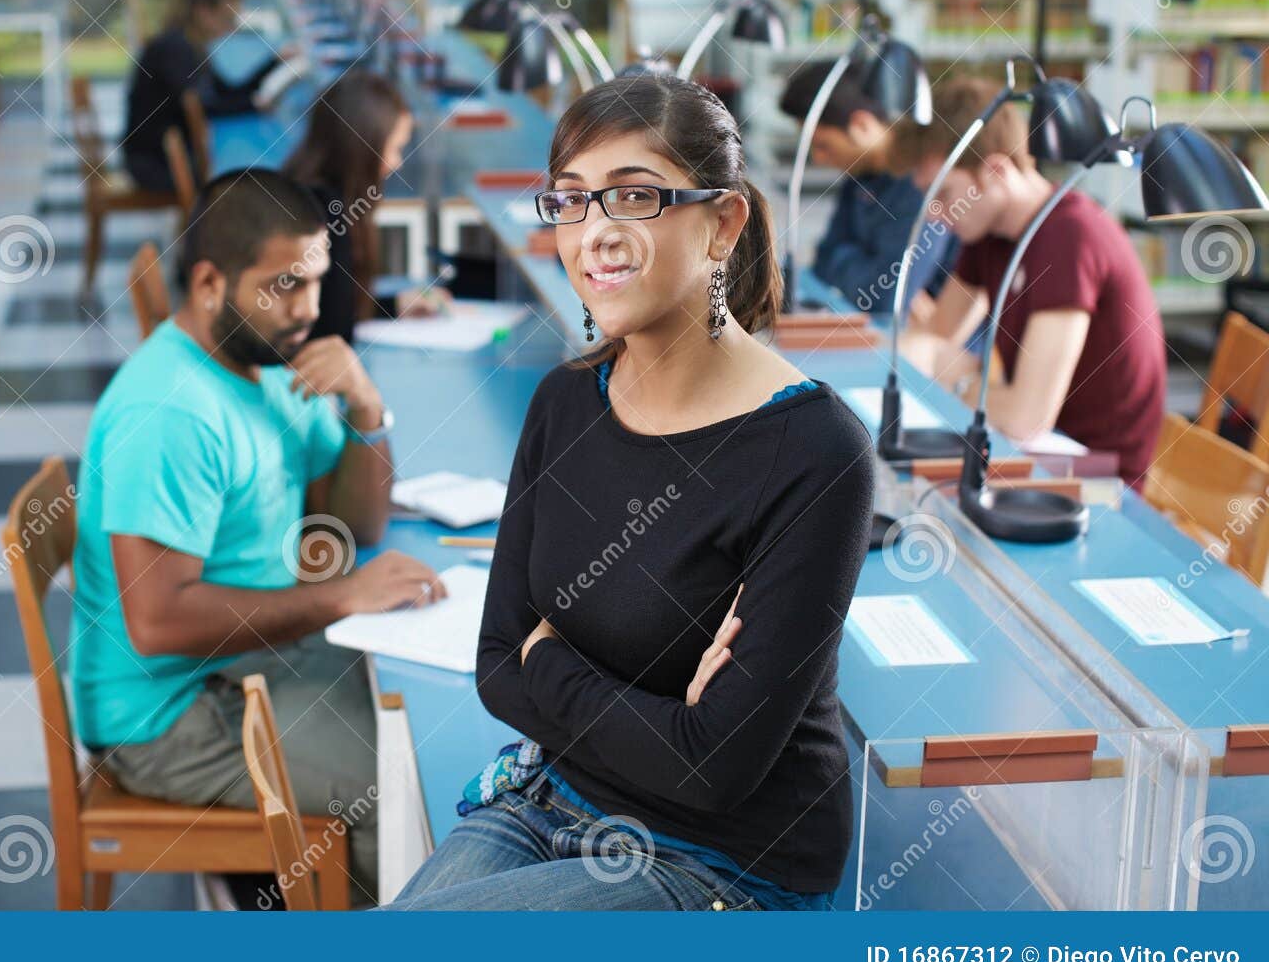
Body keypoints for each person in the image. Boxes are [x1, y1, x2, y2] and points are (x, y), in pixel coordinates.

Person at [384, 75, 876, 911]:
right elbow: (497, 664)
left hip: (721, 865)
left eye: (636, 197)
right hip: (551, 798)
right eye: (572, 202)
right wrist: (651, 715)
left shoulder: (817, 451)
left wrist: (553, 662)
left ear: (722, 223)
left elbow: (711, 769)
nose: (595, 235)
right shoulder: (565, 403)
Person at [70, 167, 446, 905]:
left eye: (316, 281)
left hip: (248, 659)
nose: (308, 309)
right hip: (169, 713)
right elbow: (158, 622)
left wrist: (368, 407)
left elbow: (357, 524)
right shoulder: (171, 413)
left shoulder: (267, 363)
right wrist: (340, 595)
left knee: (433, 738)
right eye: (285, 286)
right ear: (211, 282)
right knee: (406, 790)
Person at [888, 75, 1167, 485]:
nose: (933, 214)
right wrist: (949, 367)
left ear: (996, 171)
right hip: (1034, 455)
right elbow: (927, 342)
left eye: (943, 194)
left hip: (1097, 483)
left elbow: (1024, 418)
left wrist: (959, 376)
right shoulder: (990, 233)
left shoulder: (1070, 235)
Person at [284, 69, 451, 341]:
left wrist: (395, 304)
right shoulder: (329, 215)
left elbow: (334, 308)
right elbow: (334, 333)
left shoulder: (303, 188)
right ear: (363, 147)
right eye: (394, 148)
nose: (397, 163)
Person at [780, 59, 956, 317]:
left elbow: (883, 298)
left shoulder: (920, 182)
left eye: (823, 145)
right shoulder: (861, 174)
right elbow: (823, 261)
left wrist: (846, 260)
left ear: (861, 124)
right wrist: (860, 265)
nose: (818, 158)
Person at [121, 0, 281, 193]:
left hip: (167, 159)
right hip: (154, 166)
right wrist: (254, 106)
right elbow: (202, 107)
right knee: (256, 182)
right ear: (203, 13)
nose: (233, 27)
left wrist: (275, 62)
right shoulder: (174, 49)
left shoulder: (191, 46)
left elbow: (227, 92)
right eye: (229, 19)